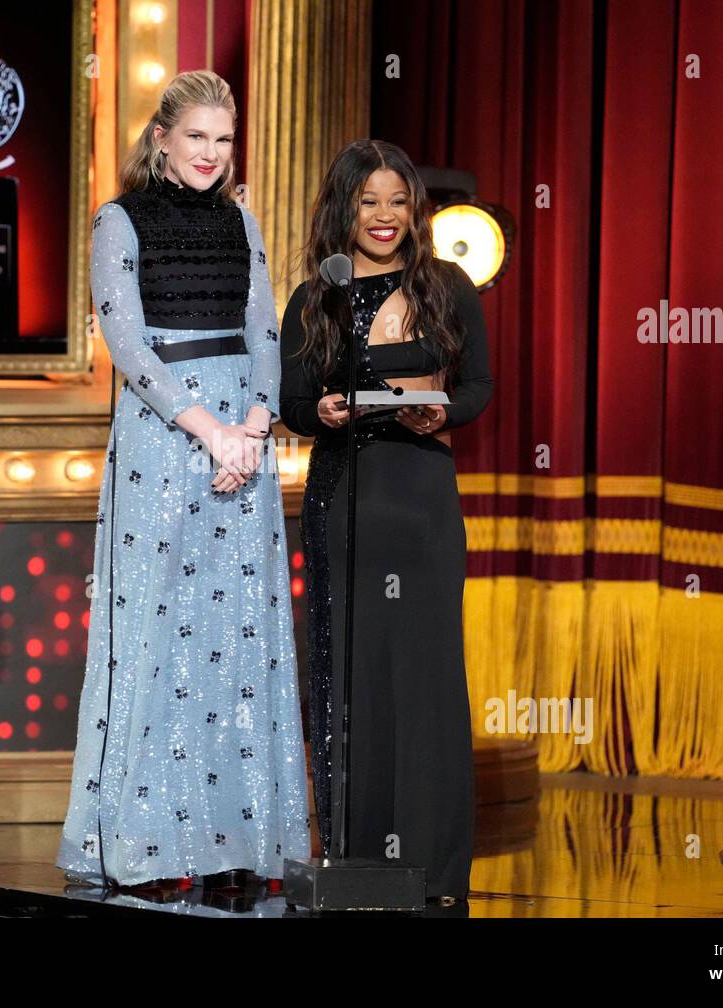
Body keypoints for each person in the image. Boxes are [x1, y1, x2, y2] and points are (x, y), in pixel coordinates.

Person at [57, 70, 310, 892]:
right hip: (166, 436)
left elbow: (264, 330)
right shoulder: (118, 220)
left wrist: (257, 424)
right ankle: (148, 845)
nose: (210, 153)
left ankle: (240, 845)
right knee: (157, 637)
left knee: (242, 635)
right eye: (195, 136)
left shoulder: (244, 221)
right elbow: (127, 348)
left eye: (223, 139)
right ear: (161, 138)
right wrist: (207, 430)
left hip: (244, 436)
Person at [279, 139, 493, 902]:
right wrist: (323, 413)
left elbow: (480, 386)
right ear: (345, 208)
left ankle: (431, 870)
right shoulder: (316, 297)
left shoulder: (448, 286)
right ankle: (360, 865)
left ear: (415, 208)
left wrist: (445, 410)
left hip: (422, 502)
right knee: (351, 680)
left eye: (397, 201)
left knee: (426, 678)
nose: (383, 216)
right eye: (368, 201)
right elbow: (293, 403)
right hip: (345, 500)